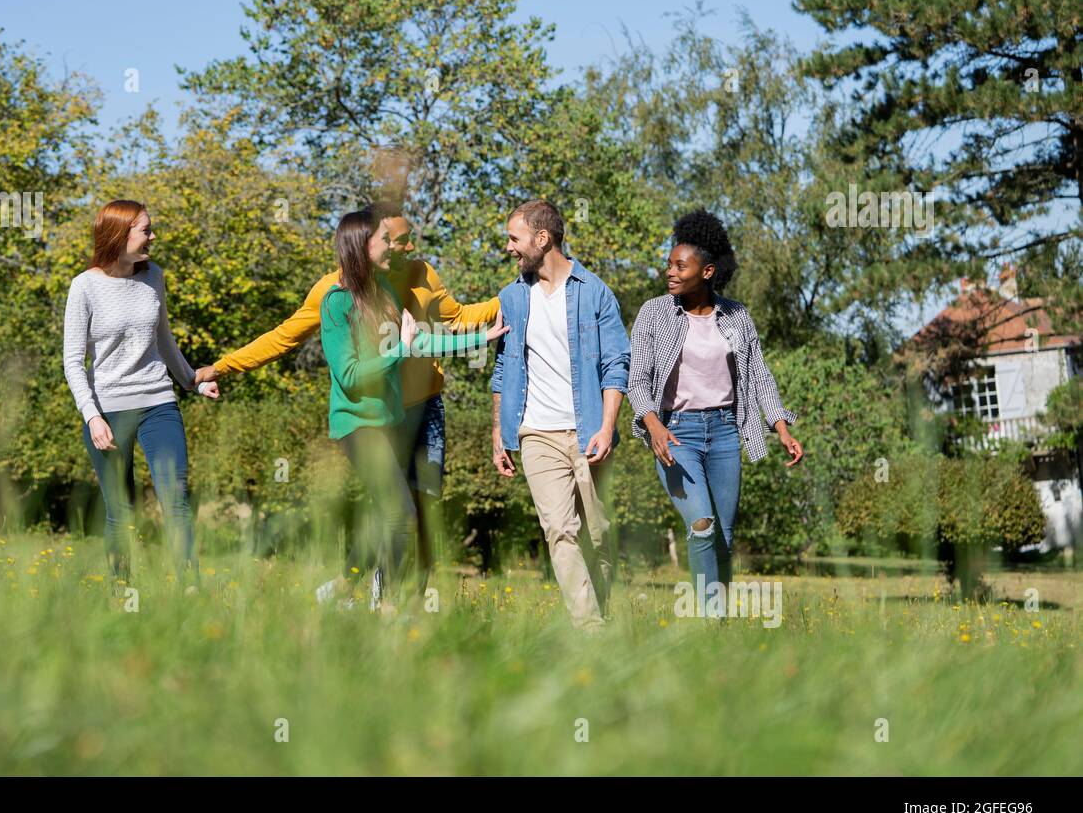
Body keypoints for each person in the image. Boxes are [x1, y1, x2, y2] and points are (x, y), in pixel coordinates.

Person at [193, 209, 500, 596]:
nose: (406, 246)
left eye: (403, 239)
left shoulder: (415, 276)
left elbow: (450, 322)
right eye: (395, 239)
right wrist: (223, 366)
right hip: (373, 416)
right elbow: (285, 337)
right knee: (397, 511)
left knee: (417, 511)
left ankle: (399, 601)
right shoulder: (334, 294)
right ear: (369, 242)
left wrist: (504, 308)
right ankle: (366, 593)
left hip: (421, 408)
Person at [318, 208, 507, 611]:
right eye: (384, 241)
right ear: (361, 246)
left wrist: (480, 338)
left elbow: (419, 344)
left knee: (397, 512)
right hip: (356, 424)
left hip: (389, 422)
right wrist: (399, 351)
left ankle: (348, 595)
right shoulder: (336, 304)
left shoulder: (384, 292)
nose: (393, 247)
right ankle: (387, 607)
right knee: (400, 513)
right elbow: (350, 375)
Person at [626, 209, 804, 610]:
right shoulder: (654, 313)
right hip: (675, 434)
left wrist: (781, 427)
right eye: (669, 263)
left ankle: (718, 625)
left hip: (725, 434)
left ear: (706, 272)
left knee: (723, 536)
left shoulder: (737, 316)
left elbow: (759, 375)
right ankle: (707, 622)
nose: (669, 272)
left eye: (679, 266)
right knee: (701, 527)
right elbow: (636, 379)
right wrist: (653, 425)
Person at [62, 200, 218, 585]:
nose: (153, 237)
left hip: (158, 403)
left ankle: (191, 592)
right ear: (120, 234)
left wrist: (190, 380)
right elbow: (71, 361)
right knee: (120, 511)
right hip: (107, 412)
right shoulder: (85, 287)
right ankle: (122, 596)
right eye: (145, 230)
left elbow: (163, 338)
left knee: (176, 503)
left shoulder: (153, 277)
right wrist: (92, 415)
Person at [491, 200, 630, 631]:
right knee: (559, 530)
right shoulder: (512, 297)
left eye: (515, 238)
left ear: (542, 238)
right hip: (535, 432)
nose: (509, 247)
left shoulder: (595, 292)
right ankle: (590, 629)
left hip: (588, 429)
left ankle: (599, 611)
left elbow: (616, 364)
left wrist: (607, 427)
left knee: (599, 533)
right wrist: (499, 429)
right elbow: (502, 366)